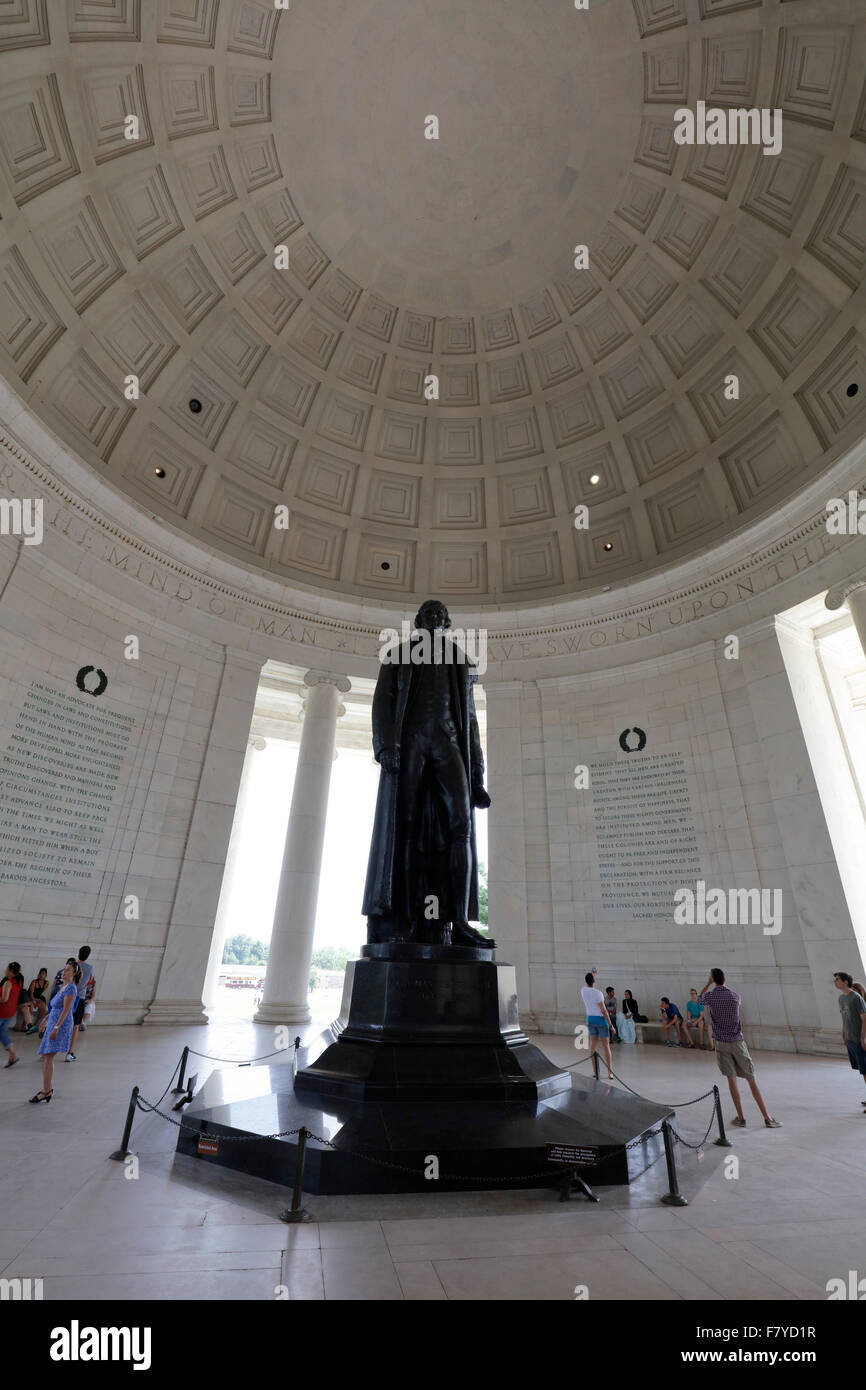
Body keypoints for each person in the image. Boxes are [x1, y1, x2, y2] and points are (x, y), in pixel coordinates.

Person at [699, 968, 780, 1128]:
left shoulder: (711, 996)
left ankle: (741, 1118)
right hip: (737, 1042)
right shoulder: (735, 997)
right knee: (751, 1079)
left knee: (732, 1079)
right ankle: (767, 1117)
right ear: (724, 979)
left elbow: (700, 999)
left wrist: (708, 983)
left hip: (721, 1043)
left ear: (713, 979)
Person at [31, 961, 78, 1102]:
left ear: (74, 973)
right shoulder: (62, 987)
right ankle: (47, 1090)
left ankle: (46, 1091)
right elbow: (54, 1007)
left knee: (48, 1056)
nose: (64, 971)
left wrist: (56, 1028)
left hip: (61, 1025)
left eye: (68, 970)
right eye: (64, 969)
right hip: (53, 1022)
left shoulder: (71, 989)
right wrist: (45, 1021)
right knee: (46, 1056)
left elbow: (65, 1010)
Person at [833, 972, 866, 1108]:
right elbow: (845, 1018)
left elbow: (865, 1019)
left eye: (837, 980)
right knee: (862, 1070)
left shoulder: (856, 998)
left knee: (865, 1070)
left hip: (859, 1039)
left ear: (845, 982)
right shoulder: (841, 998)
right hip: (850, 1038)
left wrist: (863, 1038)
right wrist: (843, 1034)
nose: (835, 982)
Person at [581, 971, 613, 1080]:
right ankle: (610, 1072)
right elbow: (604, 1010)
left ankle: (595, 1071)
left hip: (590, 1019)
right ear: (594, 981)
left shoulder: (583, 990)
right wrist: (611, 1025)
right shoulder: (598, 993)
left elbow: (589, 983)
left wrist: (592, 973)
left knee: (593, 1046)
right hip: (600, 1021)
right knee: (606, 1046)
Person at [66, 945, 93, 1061]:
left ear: (78, 953)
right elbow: (89, 982)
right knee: (75, 1026)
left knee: (60, 1022)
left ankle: (50, 1049)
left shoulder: (72, 965)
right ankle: (70, 1052)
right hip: (80, 998)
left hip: (68, 996)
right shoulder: (90, 968)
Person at [1, 962, 23, 1069]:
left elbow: (4, 999)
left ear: (10, 971)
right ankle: (13, 1055)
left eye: (6, 968)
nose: (5, 970)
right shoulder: (18, 982)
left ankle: (13, 1055)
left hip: (2, 1012)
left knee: (2, 1033)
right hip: (9, 1013)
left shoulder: (8, 983)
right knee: (2, 1033)